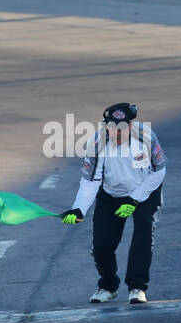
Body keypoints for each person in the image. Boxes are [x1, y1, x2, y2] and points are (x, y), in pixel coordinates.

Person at [60, 103, 167, 305]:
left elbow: (159, 172)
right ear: (105, 126)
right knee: (101, 247)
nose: (117, 132)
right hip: (111, 194)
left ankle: (137, 287)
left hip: (145, 192)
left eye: (122, 128)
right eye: (112, 127)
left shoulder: (146, 137)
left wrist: (134, 198)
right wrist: (79, 208)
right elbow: (90, 181)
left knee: (142, 234)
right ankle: (108, 286)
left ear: (130, 126)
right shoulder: (96, 143)